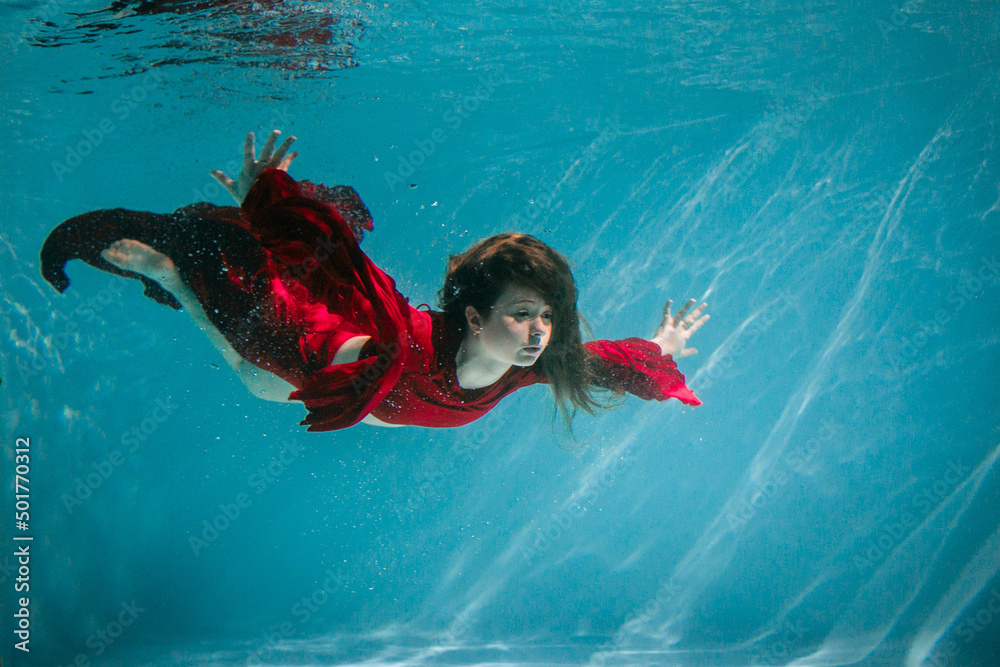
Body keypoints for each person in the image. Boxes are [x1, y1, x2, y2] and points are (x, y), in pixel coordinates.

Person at [40, 130, 709, 432]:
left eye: (549, 315)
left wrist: (662, 350)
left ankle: (201, 275)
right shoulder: (402, 338)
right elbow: (342, 271)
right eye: (524, 314)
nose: (540, 333)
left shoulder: (532, 364)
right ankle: (176, 275)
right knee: (255, 373)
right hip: (360, 364)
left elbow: (610, 365)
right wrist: (267, 205)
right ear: (474, 318)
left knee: (273, 380)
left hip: (393, 404)